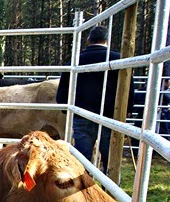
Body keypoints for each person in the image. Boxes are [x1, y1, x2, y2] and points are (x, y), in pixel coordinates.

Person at [56, 25, 132, 171]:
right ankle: (108, 183)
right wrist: (127, 110)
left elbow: (63, 89)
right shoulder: (118, 59)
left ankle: (82, 183)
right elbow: (128, 87)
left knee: (82, 157)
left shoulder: (76, 60)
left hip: (82, 115)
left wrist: (67, 109)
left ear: (88, 40)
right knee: (109, 157)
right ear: (107, 41)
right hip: (110, 116)